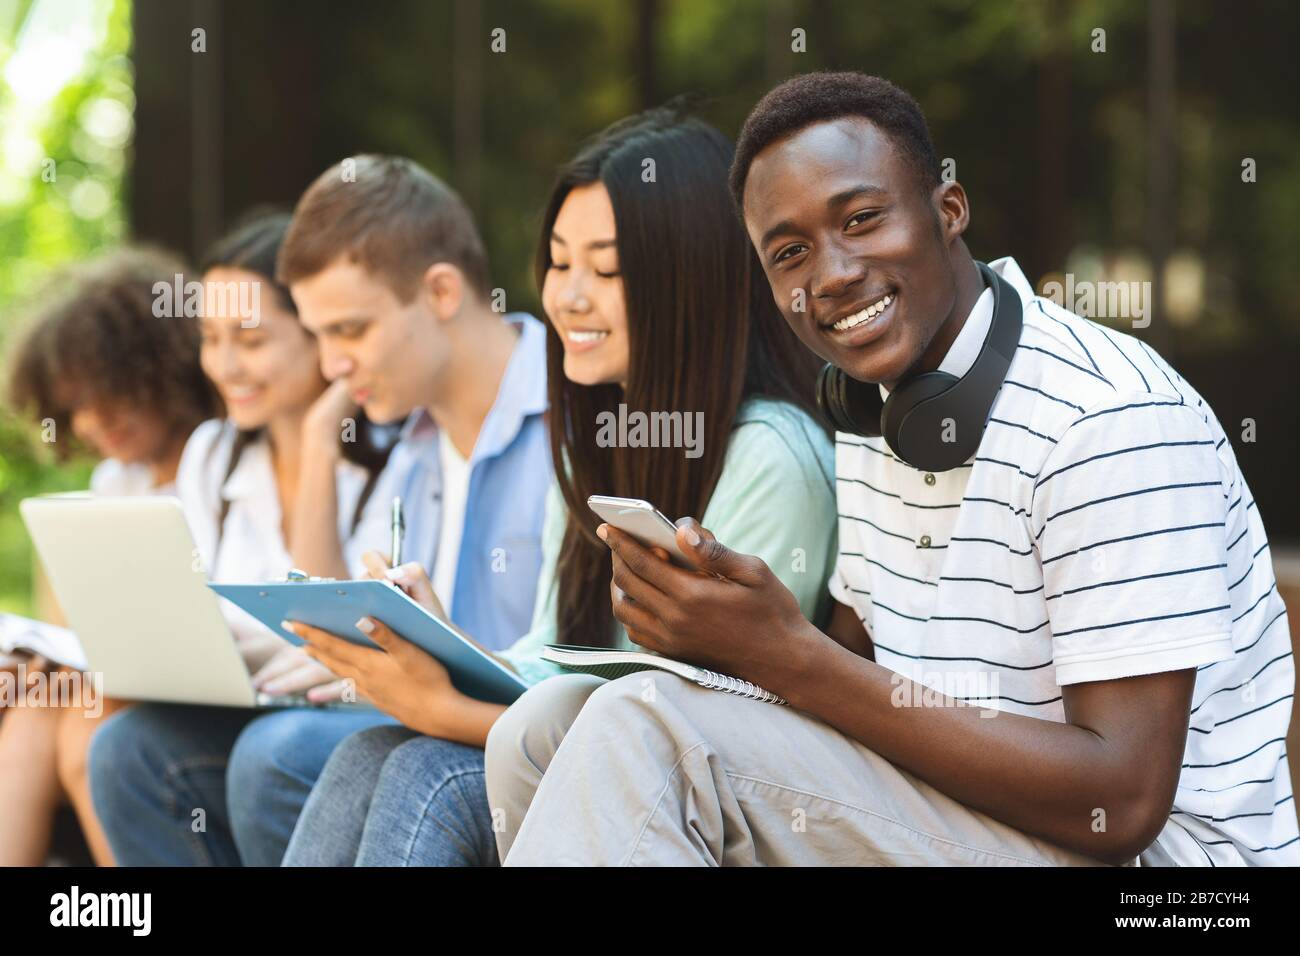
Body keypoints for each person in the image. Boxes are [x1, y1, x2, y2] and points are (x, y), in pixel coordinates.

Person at [485, 72, 1299, 867]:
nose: (832, 275)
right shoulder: (874, 409)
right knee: (544, 726)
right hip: (954, 812)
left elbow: (1119, 803)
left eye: (863, 219)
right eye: (791, 252)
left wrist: (786, 655)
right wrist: (725, 628)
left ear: (948, 209)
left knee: (643, 731)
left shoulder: (1107, 418)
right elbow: (854, 668)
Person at [278, 107, 837, 866]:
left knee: (422, 769)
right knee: (360, 756)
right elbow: (551, 656)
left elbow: (687, 736)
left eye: (606, 270)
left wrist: (444, 708)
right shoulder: (594, 443)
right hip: (573, 760)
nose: (568, 296)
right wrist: (446, 647)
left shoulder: (770, 457)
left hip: (699, 811)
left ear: (691, 276)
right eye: (560, 262)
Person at [92, 158, 554, 865]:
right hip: (407, 717)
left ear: (440, 291)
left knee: (282, 758)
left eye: (349, 331)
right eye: (322, 335)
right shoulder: (413, 448)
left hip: (491, 734)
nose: (333, 365)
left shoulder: (568, 420)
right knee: (128, 747)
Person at [87, 212, 401, 866]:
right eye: (210, 338)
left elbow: (337, 619)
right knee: (123, 747)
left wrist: (317, 448)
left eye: (251, 339)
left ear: (319, 338)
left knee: (272, 753)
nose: (226, 366)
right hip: (255, 701)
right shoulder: (216, 452)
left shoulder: (395, 454)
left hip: (357, 707)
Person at [0, 246, 219, 865]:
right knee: (37, 716)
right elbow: (76, 631)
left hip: (199, 689)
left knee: (87, 736)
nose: (96, 421)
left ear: (160, 367)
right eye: (75, 407)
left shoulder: (217, 460)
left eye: (110, 394)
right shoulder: (113, 484)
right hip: (120, 682)